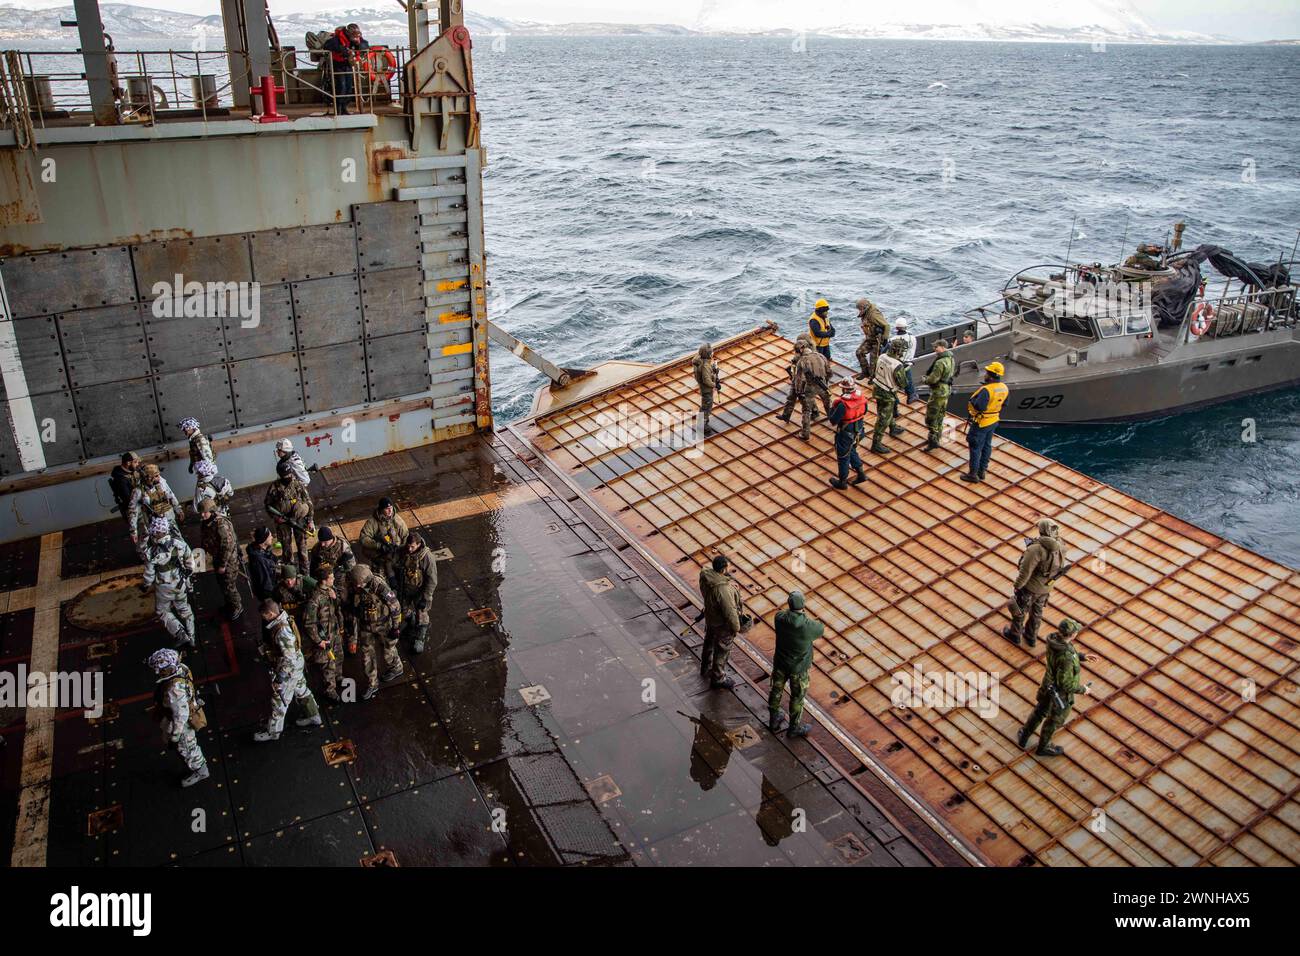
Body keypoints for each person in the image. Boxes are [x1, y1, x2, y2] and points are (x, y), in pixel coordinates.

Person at [1016, 619, 1092, 757]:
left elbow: (1061, 657)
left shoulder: (1054, 640)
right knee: (1053, 720)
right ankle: (1043, 747)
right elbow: (1066, 684)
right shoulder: (1067, 656)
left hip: (1048, 685)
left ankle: (1024, 735)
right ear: (1073, 634)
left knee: (1039, 711)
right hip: (1060, 695)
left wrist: (1081, 656)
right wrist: (1083, 689)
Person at [253, 599, 322, 741]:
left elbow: (288, 658)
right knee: (301, 689)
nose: (263, 619)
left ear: (270, 614)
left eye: (264, 616)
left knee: (279, 701)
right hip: (297, 664)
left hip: (289, 669)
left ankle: (273, 732)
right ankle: (314, 716)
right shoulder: (285, 619)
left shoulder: (281, 631)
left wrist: (280, 678)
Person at [146, 649, 209, 788]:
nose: (158, 672)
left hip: (182, 726)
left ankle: (201, 771)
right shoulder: (183, 669)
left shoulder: (174, 689)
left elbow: (181, 715)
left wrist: (175, 735)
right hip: (185, 709)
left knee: (187, 748)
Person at [768, 591, 824, 737]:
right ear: (803, 605)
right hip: (799, 669)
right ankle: (793, 728)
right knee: (797, 697)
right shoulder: (809, 626)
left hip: (780, 663)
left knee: (776, 690)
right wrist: (804, 615)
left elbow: (783, 614)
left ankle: (774, 718)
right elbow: (820, 629)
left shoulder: (779, 618)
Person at [1004, 519, 1065, 647]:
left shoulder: (1036, 549)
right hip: (1046, 587)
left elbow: (1025, 571)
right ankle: (1031, 637)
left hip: (1030, 587)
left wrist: (1018, 586)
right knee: (1037, 613)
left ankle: (1015, 634)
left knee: (1020, 610)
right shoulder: (1061, 546)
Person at [348, 563, 403, 700]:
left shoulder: (379, 586)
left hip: (383, 624)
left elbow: (395, 606)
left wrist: (396, 627)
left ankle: (396, 666)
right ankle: (372, 683)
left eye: (359, 584)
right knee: (366, 654)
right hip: (366, 624)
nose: (357, 586)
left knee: (388, 650)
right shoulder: (354, 586)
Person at [141, 516, 196, 648]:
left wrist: (145, 585)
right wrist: (189, 571)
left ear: (155, 533)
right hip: (180, 583)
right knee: (185, 610)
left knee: (162, 611)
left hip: (164, 587)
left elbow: (149, 573)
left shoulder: (151, 552)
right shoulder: (179, 543)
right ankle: (192, 636)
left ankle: (180, 633)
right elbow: (190, 559)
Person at [699, 555, 746, 690]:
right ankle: (718, 678)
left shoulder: (705, 575)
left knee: (708, 642)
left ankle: (705, 667)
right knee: (721, 650)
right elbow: (730, 611)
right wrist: (736, 627)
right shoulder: (724, 590)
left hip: (710, 617)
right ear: (724, 569)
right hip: (721, 624)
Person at [302, 564, 345, 703]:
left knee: (338, 656)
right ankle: (330, 690)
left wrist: (335, 597)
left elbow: (338, 607)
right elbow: (309, 623)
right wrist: (318, 640)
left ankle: (338, 677)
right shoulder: (315, 599)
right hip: (324, 637)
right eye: (331, 578)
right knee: (328, 665)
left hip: (334, 631)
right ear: (323, 580)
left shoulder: (330, 591)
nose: (333, 579)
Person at [961, 361, 1008, 483]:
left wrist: (974, 404)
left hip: (981, 422)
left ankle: (972, 474)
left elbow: (979, 406)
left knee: (975, 447)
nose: (985, 374)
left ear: (991, 375)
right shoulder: (1004, 388)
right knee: (987, 446)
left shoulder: (986, 390)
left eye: (987, 372)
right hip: (994, 420)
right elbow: (1005, 404)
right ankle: (982, 472)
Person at [778, 337, 832, 441]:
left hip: (810, 387)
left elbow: (798, 379)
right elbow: (829, 372)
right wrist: (825, 383)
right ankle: (834, 421)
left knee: (806, 411)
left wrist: (799, 391)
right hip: (823, 385)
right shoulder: (821, 356)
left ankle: (805, 434)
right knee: (828, 405)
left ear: (800, 350)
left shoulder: (802, 361)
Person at [198, 499, 243, 621]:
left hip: (228, 561)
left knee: (229, 585)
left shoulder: (221, 524)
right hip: (217, 556)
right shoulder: (206, 522)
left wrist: (223, 565)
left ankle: (237, 606)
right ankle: (230, 604)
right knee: (222, 584)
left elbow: (227, 546)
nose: (202, 515)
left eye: (205, 512)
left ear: (211, 511)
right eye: (201, 512)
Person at [264, 459, 314, 566]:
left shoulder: (297, 485)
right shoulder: (274, 487)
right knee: (286, 548)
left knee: (302, 548)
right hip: (283, 521)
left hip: (298, 519)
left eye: (289, 475)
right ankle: (290, 573)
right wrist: (276, 518)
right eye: (285, 476)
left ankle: (305, 571)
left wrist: (309, 520)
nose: (288, 477)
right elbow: (268, 505)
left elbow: (308, 502)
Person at [396, 531, 437, 654]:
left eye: (412, 546)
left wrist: (426, 597)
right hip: (406, 588)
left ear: (418, 544)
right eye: (408, 546)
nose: (409, 549)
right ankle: (411, 621)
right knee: (402, 609)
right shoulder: (404, 551)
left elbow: (432, 580)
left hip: (420, 591)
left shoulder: (427, 557)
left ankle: (420, 637)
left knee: (422, 616)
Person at [129, 464, 182, 555]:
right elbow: (132, 512)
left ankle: (182, 554)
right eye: (156, 476)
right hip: (153, 524)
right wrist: (133, 531)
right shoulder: (138, 492)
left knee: (178, 538)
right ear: (149, 478)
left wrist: (178, 509)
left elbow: (170, 494)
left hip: (168, 517)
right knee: (157, 546)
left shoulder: (161, 482)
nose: (159, 477)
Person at [827, 377, 869, 489]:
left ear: (844, 390)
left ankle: (842, 482)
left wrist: (832, 408)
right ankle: (861, 474)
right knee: (852, 450)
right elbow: (865, 411)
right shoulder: (862, 398)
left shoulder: (842, 405)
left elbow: (832, 420)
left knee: (843, 456)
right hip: (859, 431)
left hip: (846, 434)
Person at [869, 338, 908, 455]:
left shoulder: (882, 356)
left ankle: (893, 427)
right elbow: (903, 383)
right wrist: (904, 370)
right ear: (899, 351)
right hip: (887, 393)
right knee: (883, 419)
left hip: (878, 388)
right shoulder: (897, 365)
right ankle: (876, 444)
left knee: (885, 412)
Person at [322, 22, 369, 115]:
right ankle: (338, 108)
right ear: (348, 33)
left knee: (348, 87)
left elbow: (365, 45)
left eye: (356, 35)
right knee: (341, 87)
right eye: (353, 35)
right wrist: (341, 49)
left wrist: (358, 45)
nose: (355, 37)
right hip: (338, 65)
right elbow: (327, 45)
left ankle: (344, 107)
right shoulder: (337, 38)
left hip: (348, 65)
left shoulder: (356, 38)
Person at [359, 497, 408, 586]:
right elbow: (363, 538)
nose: (390, 511)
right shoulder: (372, 522)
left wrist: (404, 550)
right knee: (380, 578)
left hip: (396, 551)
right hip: (380, 554)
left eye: (391, 508)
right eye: (387, 509)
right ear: (381, 510)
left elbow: (405, 535)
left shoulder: (397, 520)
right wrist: (378, 546)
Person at [923, 339, 955, 451]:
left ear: (942, 347)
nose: (934, 349)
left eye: (936, 347)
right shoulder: (951, 358)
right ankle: (937, 436)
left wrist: (925, 379)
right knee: (941, 415)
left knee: (931, 417)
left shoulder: (940, 362)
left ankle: (933, 441)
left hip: (938, 391)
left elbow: (933, 379)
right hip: (946, 390)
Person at [854, 297, 890, 379]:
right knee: (859, 352)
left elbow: (886, 326)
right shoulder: (866, 314)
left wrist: (885, 339)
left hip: (877, 340)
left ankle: (873, 377)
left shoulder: (874, 314)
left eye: (860, 309)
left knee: (873, 361)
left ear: (864, 307)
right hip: (870, 338)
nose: (859, 311)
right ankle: (865, 371)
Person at [109, 452, 141, 532]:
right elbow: (128, 499)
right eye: (135, 462)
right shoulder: (120, 480)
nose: (138, 464)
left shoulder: (130, 471)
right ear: (128, 463)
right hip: (133, 509)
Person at [692, 342, 719, 437]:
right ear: (708, 354)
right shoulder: (705, 366)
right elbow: (706, 379)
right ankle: (703, 425)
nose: (712, 354)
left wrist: (712, 368)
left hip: (704, 388)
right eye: (711, 352)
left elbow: (706, 373)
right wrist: (714, 385)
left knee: (705, 404)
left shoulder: (700, 361)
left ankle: (702, 421)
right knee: (707, 405)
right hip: (706, 389)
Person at [247, 526, 279, 603]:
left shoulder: (263, 550)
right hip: (268, 595)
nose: (272, 537)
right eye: (270, 536)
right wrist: (273, 598)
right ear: (264, 540)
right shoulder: (259, 560)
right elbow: (265, 583)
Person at [891, 319, 919, 403]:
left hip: (895, 365)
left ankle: (895, 401)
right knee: (908, 380)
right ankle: (911, 396)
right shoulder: (912, 338)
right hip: (906, 364)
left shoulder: (892, 340)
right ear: (906, 327)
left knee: (893, 383)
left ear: (896, 328)